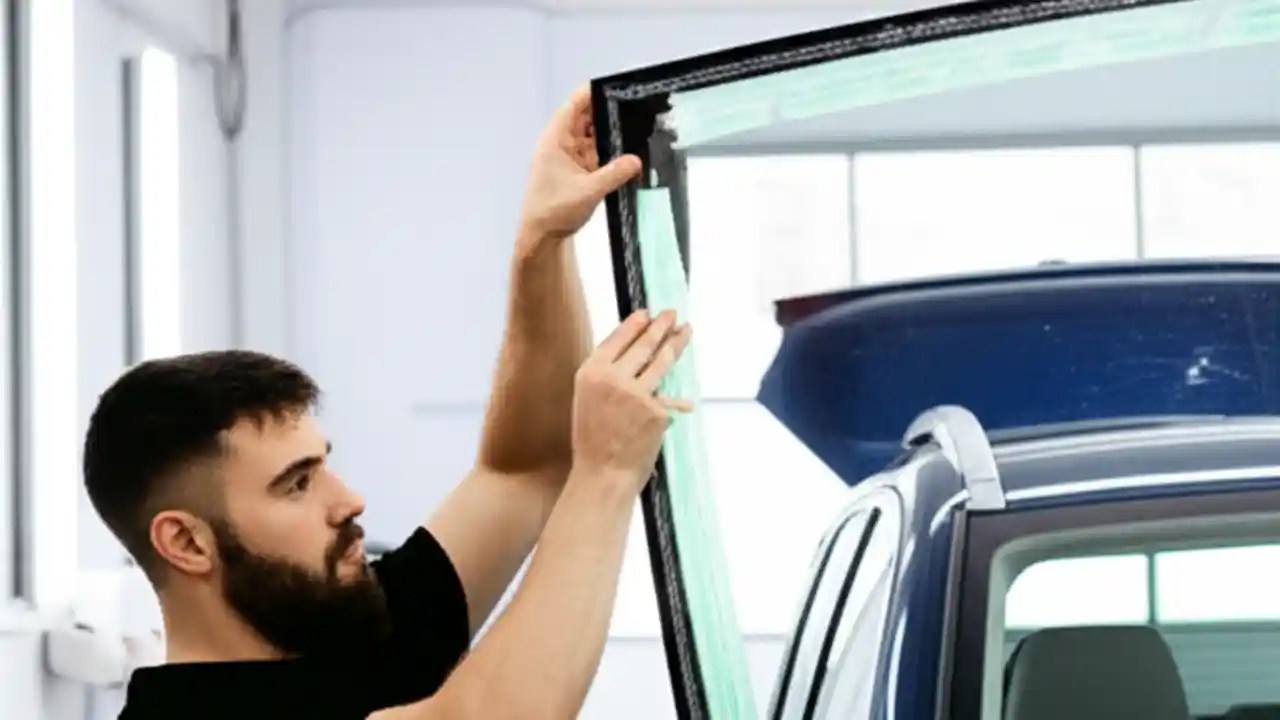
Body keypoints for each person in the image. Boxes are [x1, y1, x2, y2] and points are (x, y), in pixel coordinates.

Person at [86, 85, 694, 720]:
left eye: (322, 466)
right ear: (187, 542)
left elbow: (525, 471)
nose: (349, 500)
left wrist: (543, 240)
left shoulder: (345, 629)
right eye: (296, 484)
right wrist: (607, 475)